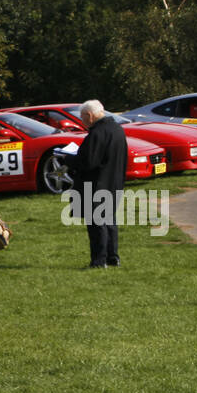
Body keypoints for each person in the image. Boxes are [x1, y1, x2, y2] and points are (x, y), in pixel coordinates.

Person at [70, 99, 127, 268]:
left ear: (90, 115)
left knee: (96, 225)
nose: (82, 122)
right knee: (109, 222)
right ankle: (112, 256)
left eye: (82, 118)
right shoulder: (117, 129)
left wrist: (68, 159)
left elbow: (87, 162)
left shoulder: (97, 133)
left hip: (96, 185)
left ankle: (99, 260)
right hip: (114, 182)